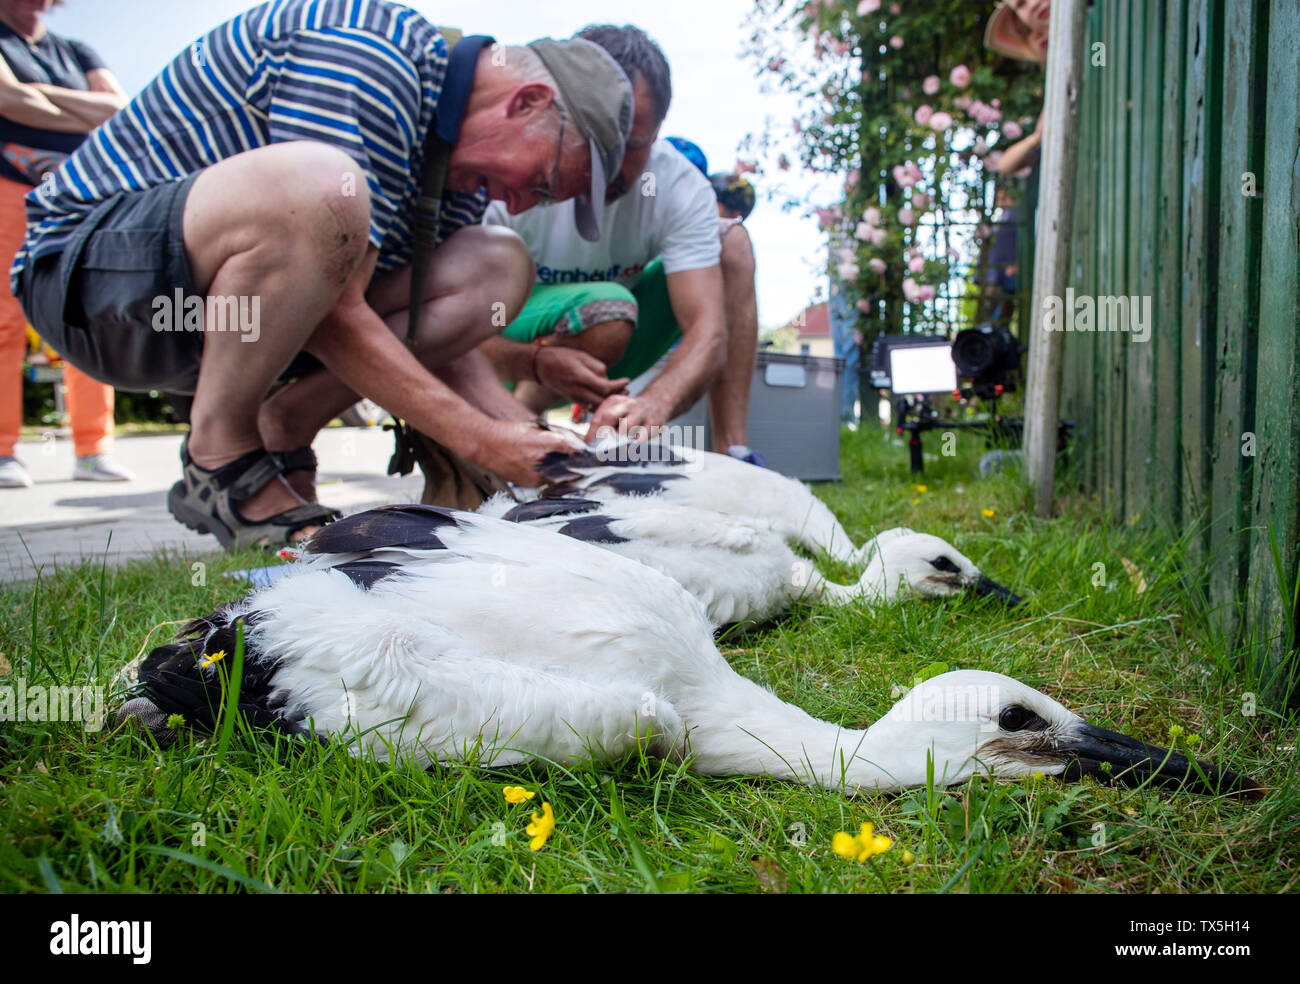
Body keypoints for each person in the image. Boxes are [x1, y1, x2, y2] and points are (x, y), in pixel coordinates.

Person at [13, 0, 634, 549]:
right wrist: (476, 439)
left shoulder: (457, 172)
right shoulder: (370, 52)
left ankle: (282, 435)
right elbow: (337, 307)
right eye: (544, 182)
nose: (524, 203)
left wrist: (524, 436)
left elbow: (434, 330)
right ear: (527, 102)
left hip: (221, 315)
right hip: (88, 276)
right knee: (321, 190)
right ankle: (221, 457)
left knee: (496, 263)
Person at [479, 24, 766, 465]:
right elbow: (451, 329)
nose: (610, 163)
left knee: (731, 244)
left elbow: (708, 332)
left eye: (631, 144)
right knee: (607, 304)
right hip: (507, 333)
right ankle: (520, 413)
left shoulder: (676, 184)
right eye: (599, 135)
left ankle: (735, 454)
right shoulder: (512, 167)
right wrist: (530, 364)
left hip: (617, 331)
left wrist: (652, 405)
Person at [0, 0, 134, 488]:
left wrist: (35, 95)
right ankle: (1, 450)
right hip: (9, 187)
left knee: (88, 314)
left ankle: (93, 448)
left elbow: (118, 108)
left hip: (79, 194)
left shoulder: (75, 49)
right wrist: (78, 109)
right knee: (4, 319)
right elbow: (6, 101)